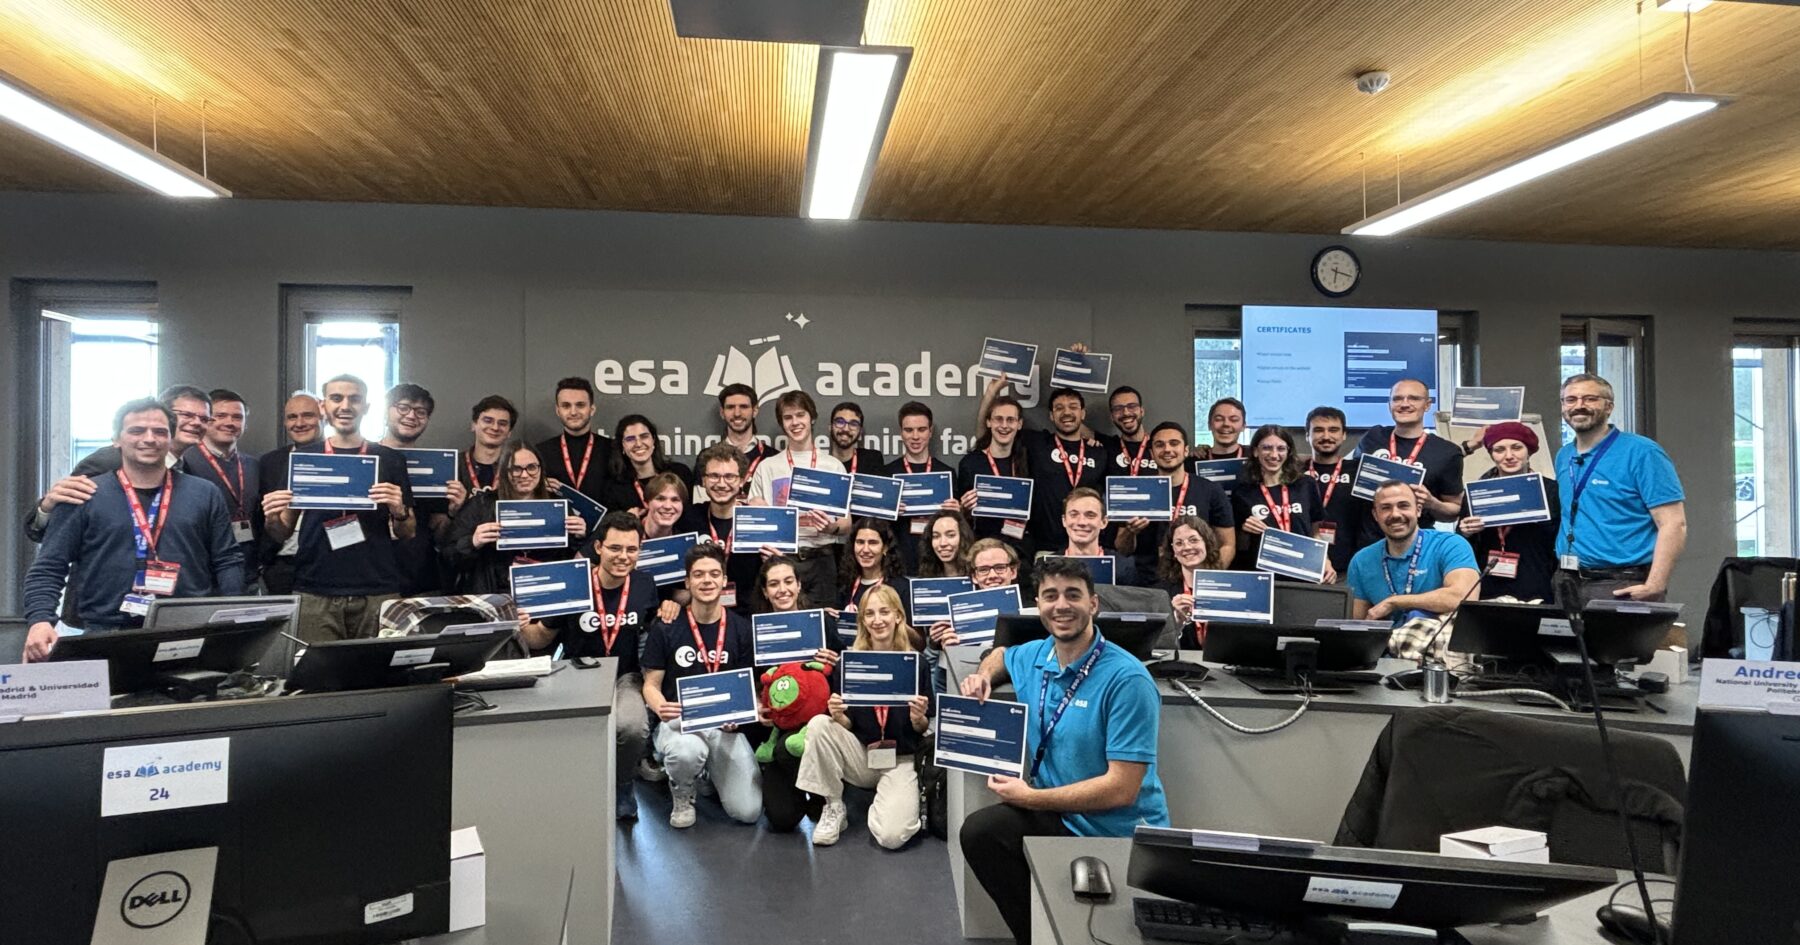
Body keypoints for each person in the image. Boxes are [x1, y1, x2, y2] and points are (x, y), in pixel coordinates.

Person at [959, 557, 1170, 945]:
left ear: (1093, 604)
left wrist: (1032, 798)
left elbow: (1122, 788)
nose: (1061, 605)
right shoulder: (1037, 655)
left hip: (1116, 826)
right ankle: (1037, 937)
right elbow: (1002, 654)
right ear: (1037, 604)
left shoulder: (1127, 680)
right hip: (1063, 813)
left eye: (1073, 595)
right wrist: (983, 676)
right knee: (980, 834)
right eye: (1050, 595)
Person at [22, 398, 245, 659]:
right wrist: (40, 620)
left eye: (160, 432)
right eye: (137, 430)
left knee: (187, 699)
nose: (149, 439)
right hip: (106, 630)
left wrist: (232, 616)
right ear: (116, 439)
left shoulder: (204, 493)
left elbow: (227, 559)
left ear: (171, 438)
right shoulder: (85, 494)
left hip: (186, 629)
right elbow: (49, 565)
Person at [520, 510, 658, 820]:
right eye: (615, 548)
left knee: (633, 727)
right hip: (577, 674)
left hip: (626, 676)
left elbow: (654, 630)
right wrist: (521, 626)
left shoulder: (645, 584)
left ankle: (623, 785)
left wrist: (673, 606)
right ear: (598, 548)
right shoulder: (574, 582)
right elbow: (541, 638)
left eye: (631, 549)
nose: (623, 556)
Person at [260, 374, 416, 643]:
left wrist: (399, 509)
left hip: (377, 589)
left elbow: (407, 532)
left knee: (379, 677)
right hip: (315, 589)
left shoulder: (390, 459)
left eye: (354, 399)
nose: (345, 406)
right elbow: (280, 532)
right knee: (317, 677)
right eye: (336, 398)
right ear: (323, 407)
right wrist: (272, 517)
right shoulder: (303, 458)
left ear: (366, 407)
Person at [798, 584, 934, 848]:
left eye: (885, 612)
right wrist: (838, 715)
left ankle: (886, 801)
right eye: (869, 614)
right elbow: (848, 724)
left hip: (900, 758)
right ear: (862, 621)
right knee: (819, 724)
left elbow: (922, 727)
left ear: (898, 616)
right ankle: (834, 805)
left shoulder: (916, 663)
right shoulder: (850, 663)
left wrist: (918, 717)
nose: (878, 620)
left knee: (892, 838)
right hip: (861, 753)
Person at [640, 544, 762, 828]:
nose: (706, 580)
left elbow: (749, 688)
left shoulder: (741, 628)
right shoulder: (667, 626)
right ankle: (682, 791)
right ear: (687, 582)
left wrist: (744, 715)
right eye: (698, 575)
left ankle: (708, 773)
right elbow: (650, 685)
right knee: (686, 752)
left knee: (749, 812)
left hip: (724, 728)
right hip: (681, 725)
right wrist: (660, 707)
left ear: (723, 580)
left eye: (713, 574)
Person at [1555, 373, 1687, 604]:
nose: (1579, 406)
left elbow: (1674, 523)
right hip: (1567, 581)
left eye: (1589, 399)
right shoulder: (1564, 455)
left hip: (1622, 583)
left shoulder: (1642, 453)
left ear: (1609, 407)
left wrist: (1655, 584)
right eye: (1571, 400)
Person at [25, 384, 213, 543]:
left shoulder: (189, 471)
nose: (196, 423)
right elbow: (60, 525)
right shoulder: (109, 460)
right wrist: (46, 508)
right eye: (186, 415)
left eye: (204, 419)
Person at [751, 554, 840, 835]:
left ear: (799, 585)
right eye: (774, 584)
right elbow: (750, 681)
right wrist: (756, 704)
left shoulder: (821, 621)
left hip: (817, 724)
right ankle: (809, 790)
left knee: (785, 752)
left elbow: (842, 677)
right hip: (776, 727)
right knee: (782, 818)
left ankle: (824, 796)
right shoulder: (757, 630)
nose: (783, 589)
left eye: (789, 581)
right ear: (765, 591)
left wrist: (834, 661)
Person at [1347, 481, 1481, 660]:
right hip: (1384, 659)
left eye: (1403, 506)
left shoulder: (1450, 544)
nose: (1395, 514)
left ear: (1418, 510)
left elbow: (1464, 598)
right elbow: (1359, 623)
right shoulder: (1361, 560)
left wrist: (1395, 602)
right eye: (1385, 508)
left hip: (1440, 659)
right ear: (1375, 515)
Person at [748, 391, 851, 606]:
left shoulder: (832, 466)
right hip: (782, 561)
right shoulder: (767, 467)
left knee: (824, 629)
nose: (795, 422)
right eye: (788, 417)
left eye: (800, 415)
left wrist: (830, 527)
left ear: (811, 417)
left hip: (822, 560)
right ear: (781, 423)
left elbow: (847, 524)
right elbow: (756, 526)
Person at [985, 380, 1112, 552]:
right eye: (1059, 408)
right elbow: (986, 434)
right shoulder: (1036, 443)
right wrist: (991, 393)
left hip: (1087, 547)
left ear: (1083, 414)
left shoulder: (1099, 452)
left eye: (1073, 407)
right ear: (1051, 416)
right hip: (1045, 548)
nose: (1066, 412)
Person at [446, 440, 586, 594]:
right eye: (516, 469)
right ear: (504, 470)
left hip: (546, 593)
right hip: (495, 594)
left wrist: (579, 537)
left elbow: (572, 564)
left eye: (532, 467)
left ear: (541, 469)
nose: (525, 475)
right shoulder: (481, 504)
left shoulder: (559, 506)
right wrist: (473, 542)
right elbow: (448, 557)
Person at [1457, 422, 1560, 603]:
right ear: (1491, 455)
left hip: (1536, 584)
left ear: (1529, 451)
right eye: (1499, 450)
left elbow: (1559, 540)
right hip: (1487, 584)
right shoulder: (1477, 493)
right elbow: (1464, 549)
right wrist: (1464, 533)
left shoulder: (1550, 490)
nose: (1509, 456)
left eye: (1517, 448)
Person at [1124, 421, 1235, 583]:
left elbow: (1228, 545)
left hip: (1196, 581)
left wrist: (1209, 580)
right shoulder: (1138, 491)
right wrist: (1130, 532)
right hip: (1149, 584)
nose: (1167, 450)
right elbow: (1123, 549)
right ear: (1152, 453)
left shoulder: (1210, 490)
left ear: (1186, 450)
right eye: (1159, 445)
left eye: (1174, 443)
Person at [379, 383, 462, 596]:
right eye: (403, 407)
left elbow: (440, 534)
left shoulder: (438, 469)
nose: (411, 416)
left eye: (421, 412)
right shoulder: (366, 460)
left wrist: (453, 511)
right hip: (372, 576)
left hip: (419, 578)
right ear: (386, 410)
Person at [1352, 379, 1465, 526]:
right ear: (1389, 405)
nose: (1404, 404)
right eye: (1397, 399)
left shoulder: (1447, 452)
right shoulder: (1373, 437)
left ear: (1427, 405)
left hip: (1416, 542)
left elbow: (1454, 511)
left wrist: (1432, 503)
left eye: (1414, 398)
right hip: (1368, 541)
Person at [1230, 424, 1334, 581]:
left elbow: (1316, 530)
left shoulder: (1305, 484)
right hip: (1262, 576)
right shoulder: (1243, 491)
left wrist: (1325, 560)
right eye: (1266, 448)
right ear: (1256, 451)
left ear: (1288, 452)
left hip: (1304, 571)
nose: (1274, 455)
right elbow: (1239, 544)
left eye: (1280, 448)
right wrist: (1245, 529)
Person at [181, 388, 262, 587]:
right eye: (220, 416)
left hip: (248, 574)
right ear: (207, 420)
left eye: (237, 417)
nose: (229, 423)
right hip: (202, 578)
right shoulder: (184, 461)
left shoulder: (254, 465)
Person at [679, 443, 760, 614]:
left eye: (730, 476)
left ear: (742, 480)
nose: (721, 484)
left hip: (746, 617)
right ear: (703, 480)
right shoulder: (687, 518)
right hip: (697, 616)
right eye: (714, 476)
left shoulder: (757, 520)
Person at [257, 392, 323, 594]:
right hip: (281, 563)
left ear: (323, 417)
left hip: (325, 562)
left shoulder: (343, 459)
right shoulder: (269, 462)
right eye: (292, 417)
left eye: (308, 415)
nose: (300, 423)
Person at [956, 393, 1032, 556]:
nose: (1004, 425)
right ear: (989, 422)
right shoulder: (970, 463)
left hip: (1020, 548)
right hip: (982, 547)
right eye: (998, 419)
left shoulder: (1029, 460)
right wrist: (964, 508)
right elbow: (962, 517)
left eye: (1010, 420)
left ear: (1019, 424)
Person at [884, 400, 957, 570]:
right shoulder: (887, 473)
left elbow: (958, 525)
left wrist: (956, 512)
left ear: (930, 432)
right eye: (909, 430)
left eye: (921, 429)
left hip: (938, 560)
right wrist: (887, 510)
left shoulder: (947, 473)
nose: (915, 436)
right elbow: (879, 525)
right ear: (901, 432)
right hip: (899, 559)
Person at [1303, 406, 1365, 579]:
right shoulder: (1294, 473)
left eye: (1333, 430)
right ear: (1307, 435)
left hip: (1351, 567)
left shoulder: (1360, 471)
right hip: (1302, 564)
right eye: (1318, 430)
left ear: (1344, 435)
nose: (1326, 436)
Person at [836, 519, 912, 647]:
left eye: (873, 543)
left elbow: (920, 643)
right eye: (860, 542)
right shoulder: (844, 583)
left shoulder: (901, 587)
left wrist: (894, 622)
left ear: (885, 547)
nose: (865, 549)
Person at [1043, 487, 1138, 586]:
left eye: (1090, 515)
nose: (1081, 522)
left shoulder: (1123, 566)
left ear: (1104, 522)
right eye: (1074, 515)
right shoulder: (1047, 565)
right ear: (1064, 521)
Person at [538, 376, 614, 499]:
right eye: (566, 406)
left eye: (580, 405)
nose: (573, 412)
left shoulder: (612, 449)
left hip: (606, 518)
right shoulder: (541, 452)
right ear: (558, 411)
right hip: (558, 518)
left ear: (592, 409)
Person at [1157, 516, 1226, 649]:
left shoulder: (1230, 586)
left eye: (1193, 540)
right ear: (1173, 552)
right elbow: (1157, 647)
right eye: (1179, 543)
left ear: (1207, 542)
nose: (1187, 547)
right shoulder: (1162, 594)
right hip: (1182, 665)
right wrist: (1176, 622)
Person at [602, 414, 694, 513]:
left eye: (644, 436)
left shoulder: (680, 473)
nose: (638, 444)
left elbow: (688, 517)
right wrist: (627, 520)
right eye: (630, 439)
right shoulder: (615, 488)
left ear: (653, 440)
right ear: (622, 446)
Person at [718, 383, 778, 477]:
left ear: (754, 411)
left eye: (743, 407)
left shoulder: (773, 457)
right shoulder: (708, 457)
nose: (737, 413)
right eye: (730, 407)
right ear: (722, 413)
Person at [460, 395, 517, 493]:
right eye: (488, 421)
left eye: (502, 423)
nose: (495, 428)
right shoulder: (454, 466)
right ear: (473, 425)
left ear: (509, 432)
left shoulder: (517, 467)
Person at [826, 401, 887, 476]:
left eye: (853, 424)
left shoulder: (872, 460)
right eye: (840, 422)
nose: (846, 429)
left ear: (860, 431)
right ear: (830, 427)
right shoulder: (821, 464)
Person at [1107, 386, 1153, 475]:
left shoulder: (1159, 446)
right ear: (1112, 417)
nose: (1126, 413)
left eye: (1132, 406)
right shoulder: (1106, 447)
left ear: (1142, 411)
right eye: (1118, 408)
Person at [916, 508, 973, 578]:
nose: (943, 543)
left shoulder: (978, 577)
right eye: (936, 536)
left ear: (963, 537)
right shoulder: (924, 579)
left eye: (950, 535)